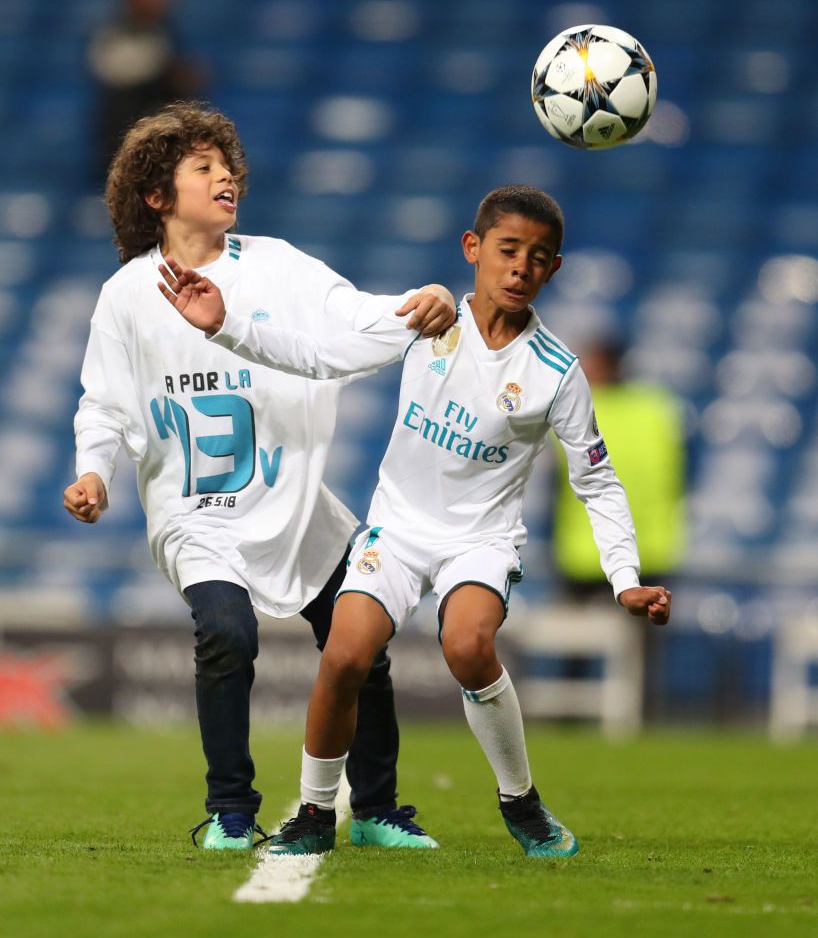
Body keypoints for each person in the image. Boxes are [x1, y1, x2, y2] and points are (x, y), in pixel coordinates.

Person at [158, 184, 672, 859]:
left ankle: (521, 801)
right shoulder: (426, 323)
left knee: (467, 647)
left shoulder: (557, 373)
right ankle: (315, 814)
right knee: (345, 654)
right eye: (508, 249)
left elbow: (596, 480)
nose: (520, 266)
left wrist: (624, 577)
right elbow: (318, 354)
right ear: (473, 249)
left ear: (553, 270)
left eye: (538, 256)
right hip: (397, 532)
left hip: (479, 542)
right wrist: (225, 325)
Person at [63, 100, 456, 851]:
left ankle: (374, 809)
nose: (226, 178)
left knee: (360, 640)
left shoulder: (276, 264)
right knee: (226, 633)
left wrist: (419, 306)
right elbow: (103, 403)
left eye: (228, 166)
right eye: (203, 168)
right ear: (156, 196)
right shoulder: (124, 297)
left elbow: (350, 316)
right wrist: (94, 473)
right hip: (195, 511)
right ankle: (230, 811)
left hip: (297, 506)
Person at [551, 335, 685, 717]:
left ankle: (578, 721)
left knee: (588, 648)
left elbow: (555, 480)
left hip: (588, 545)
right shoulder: (658, 409)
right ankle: (638, 717)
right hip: (642, 544)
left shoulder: (575, 405)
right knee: (635, 648)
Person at [87, 0, 206, 181]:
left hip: (168, 138)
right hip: (125, 136)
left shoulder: (169, 30)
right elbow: (119, 72)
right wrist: (167, 75)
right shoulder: (115, 32)